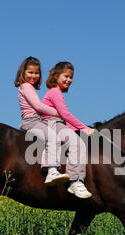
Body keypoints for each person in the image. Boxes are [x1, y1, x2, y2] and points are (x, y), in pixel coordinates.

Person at [41, 61, 94, 199]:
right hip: (51, 123)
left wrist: (78, 128)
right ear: (56, 76)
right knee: (77, 143)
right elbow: (65, 114)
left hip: (57, 123)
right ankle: (75, 181)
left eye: (71, 77)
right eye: (66, 76)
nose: (69, 80)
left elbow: (64, 119)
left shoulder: (56, 93)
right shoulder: (54, 92)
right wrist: (83, 127)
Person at [14, 56, 70, 186]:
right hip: (31, 121)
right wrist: (57, 112)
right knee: (52, 138)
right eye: (30, 72)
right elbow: (38, 106)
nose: (34, 76)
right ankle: (51, 171)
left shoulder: (29, 87)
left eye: (37, 73)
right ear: (23, 73)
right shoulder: (26, 86)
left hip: (37, 120)